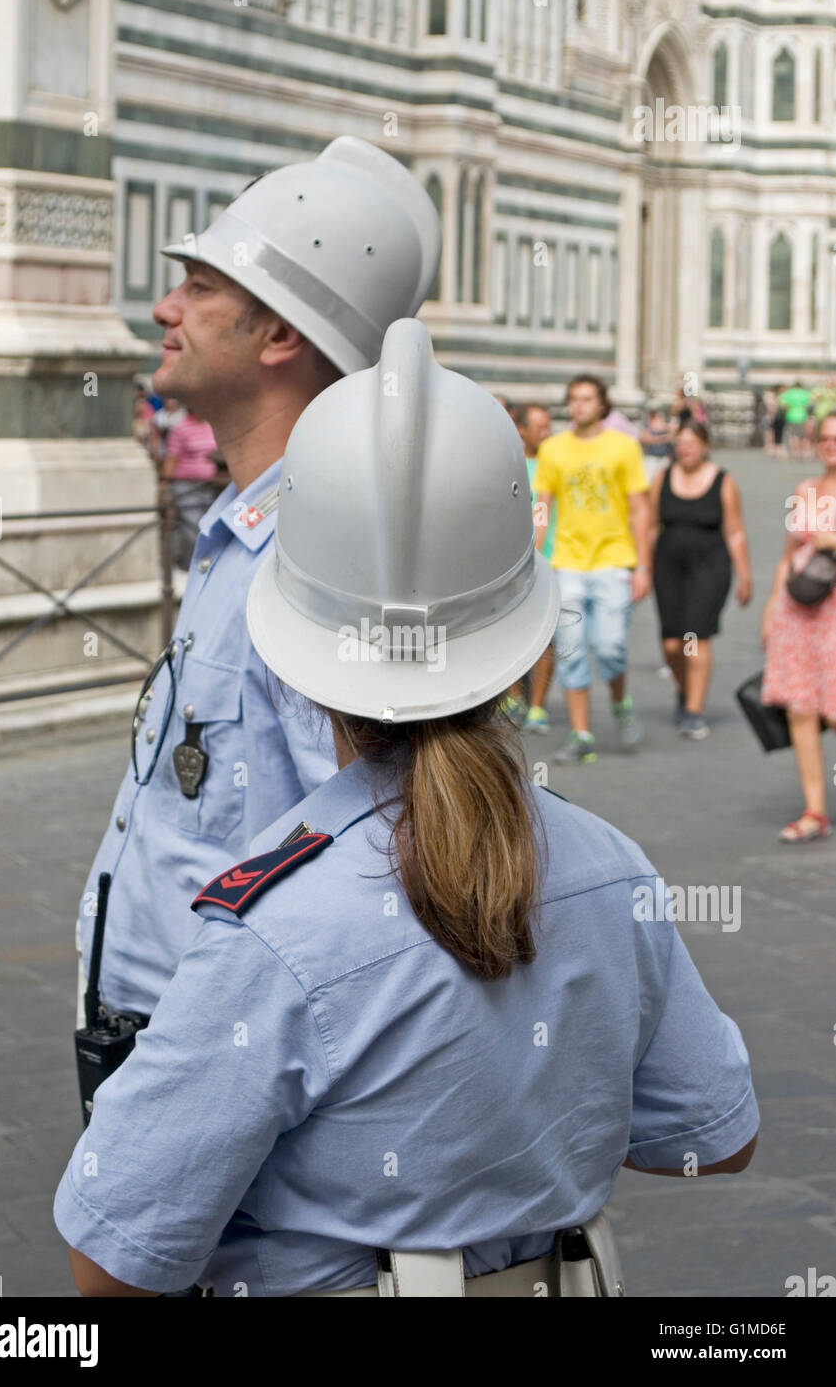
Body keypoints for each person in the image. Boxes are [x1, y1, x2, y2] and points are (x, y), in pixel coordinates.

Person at [55, 319, 759, 1299]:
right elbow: (714, 1134)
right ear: (519, 632)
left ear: (300, 645)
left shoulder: (271, 928)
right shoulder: (611, 869)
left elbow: (109, 1263)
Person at [72, 139, 441, 1034]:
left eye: (200, 287)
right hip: (168, 1036)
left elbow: (375, 859)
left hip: (233, 1056)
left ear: (279, 335)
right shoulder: (240, 528)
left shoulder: (315, 563)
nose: (165, 307)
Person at [534, 375, 651, 763]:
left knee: (611, 645)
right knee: (571, 648)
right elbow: (542, 507)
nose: (579, 405)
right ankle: (582, 733)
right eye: (574, 399)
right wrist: (535, 558)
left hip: (614, 558)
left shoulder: (624, 447)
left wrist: (643, 566)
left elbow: (640, 509)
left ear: (602, 405)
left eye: (587, 399)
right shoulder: (552, 449)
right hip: (568, 561)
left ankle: (620, 701)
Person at [649, 422, 752, 739]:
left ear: (706, 445)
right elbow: (651, 525)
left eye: (691, 443)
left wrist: (744, 574)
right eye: (680, 443)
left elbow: (734, 532)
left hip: (709, 566)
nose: (685, 449)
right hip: (668, 565)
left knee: (695, 635)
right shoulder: (663, 477)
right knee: (671, 642)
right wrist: (640, 567)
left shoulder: (723, 481)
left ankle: (694, 709)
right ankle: (684, 688)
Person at [760, 411, 836, 842]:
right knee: (801, 709)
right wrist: (773, 606)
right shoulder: (804, 490)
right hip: (799, 610)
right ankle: (814, 810)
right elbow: (788, 553)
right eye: (824, 438)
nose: (830, 445)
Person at [504, 403, 555, 730]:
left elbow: (545, 512)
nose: (547, 433)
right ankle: (512, 695)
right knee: (509, 630)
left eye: (549, 426)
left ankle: (538, 705)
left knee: (547, 634)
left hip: (548, 555)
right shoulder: (509, 463)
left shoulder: (555, 462)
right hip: (510, 559)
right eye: (540, 426)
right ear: (522, 430)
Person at [161, 407, 219, 570]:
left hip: (208, 486)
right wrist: (164, 486)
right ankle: (191, 567)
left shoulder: (210, 425)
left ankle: (197, 565)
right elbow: (171, 459)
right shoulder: (180, 428)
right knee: (192, 529)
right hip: (186, 486)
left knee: (206, 527)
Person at [778, 380, 812, 459]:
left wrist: (788, 407)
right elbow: (810, 403)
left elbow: (780, 401)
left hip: (791, 416)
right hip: (802, 416)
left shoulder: (790, 393)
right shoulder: (804, 393)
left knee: (791, 435)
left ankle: (793, 452)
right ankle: (802, 451)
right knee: (802, 435)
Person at [640, 407, 674, 485]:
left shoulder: (665, 426)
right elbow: (646, 439)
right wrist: (662, 438)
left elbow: (672, 436)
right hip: (652, 457)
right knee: (649, 479)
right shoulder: (648, 426)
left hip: (664, 457)